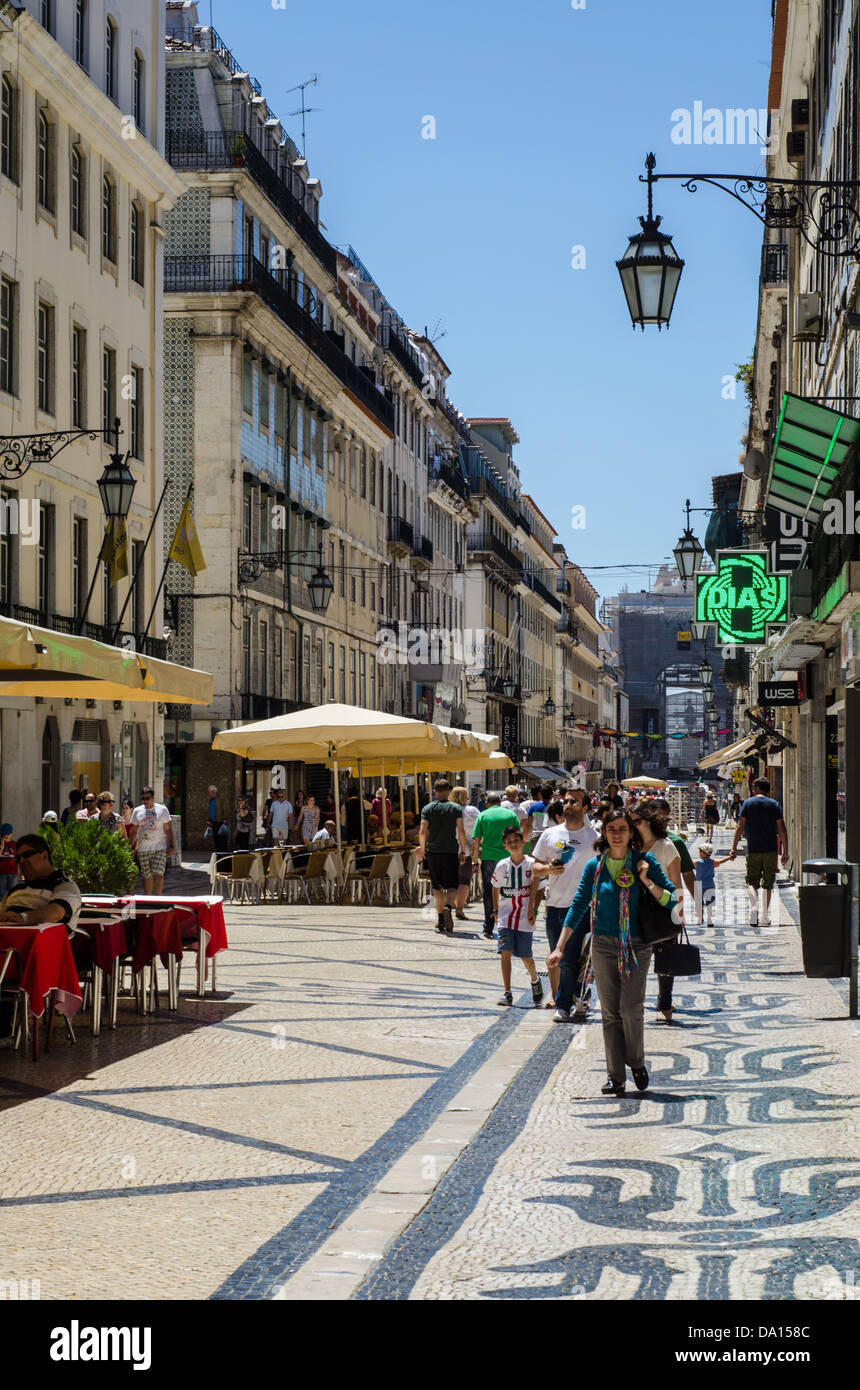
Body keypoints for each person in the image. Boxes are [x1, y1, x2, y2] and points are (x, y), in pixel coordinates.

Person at [548, 810, 677, 1096]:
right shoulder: (595, 867)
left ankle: (637, 1062)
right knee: (609, 1013)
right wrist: (560, 946)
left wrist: (646, 880)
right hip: (604, 944)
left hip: (637, 945)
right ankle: (615, 1076)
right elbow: (578, 905)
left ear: (631, 833)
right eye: (611, 829)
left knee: (630, 1009)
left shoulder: (645, 862)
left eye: (622, 828)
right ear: (604, 833)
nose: (617, 833)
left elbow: (673, 900)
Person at [532, 787, 599, 1021]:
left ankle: (562, 1004)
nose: (568, 805)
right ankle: (577, 996)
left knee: (569, 958)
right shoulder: (550, 834)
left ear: (586, 808)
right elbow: (535, 868)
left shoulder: (595, 839)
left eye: (574, 802)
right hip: (555, 905)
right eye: (566, 801)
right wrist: (548, 869)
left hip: (582, 906)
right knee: (557, 957)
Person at [629, 803, 683, 1024]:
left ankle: (665, 1004)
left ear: (648, 821)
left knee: (665, 958)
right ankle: (634, 1003)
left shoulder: (666, 846)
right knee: (635, 961)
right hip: (634, 911)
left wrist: (679, 912)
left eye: (636, 821)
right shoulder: (629, 847)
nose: (632, 825)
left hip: (661, 910)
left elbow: (676, 883)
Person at [491, 825, 543, 1007]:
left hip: (524, 919)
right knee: (505, 952)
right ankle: (507, 992)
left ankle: (535, 980)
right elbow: (495, 887)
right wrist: (496, 910)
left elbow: (538, 890)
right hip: (506, 918)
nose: (513, 844)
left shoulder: (531, 864)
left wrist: (534, 910)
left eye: (516, 841)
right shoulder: (502, 866)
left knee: (525, 956)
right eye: (509, 842)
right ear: (505, 846)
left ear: (523, 842)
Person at [729, 777, 790, 926]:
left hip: (753, 848)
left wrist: (734, 847)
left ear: (756, 788)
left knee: (751, 882)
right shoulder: (774, 805)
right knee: (768, 883)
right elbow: (782, 828)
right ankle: (764, 916)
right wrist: (786, 851)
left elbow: (739, 826)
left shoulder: (748, 804)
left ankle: (754, 907)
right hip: (770, 850)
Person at [417, 778, 468, 934]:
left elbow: (422, 831)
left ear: (434, 791)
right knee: (452, 885)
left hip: (433, 851)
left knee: (437, 887)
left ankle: (439, 919)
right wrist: (463, 850)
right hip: (451, 850)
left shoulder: (427, 808)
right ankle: (448, 907)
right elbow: (460, 831)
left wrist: (423, 849)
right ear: (448, 792)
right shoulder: (455, 808)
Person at [0, 832, 82, 929]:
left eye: (27, 855)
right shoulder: (14, 890)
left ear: (44, 855)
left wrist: (21, 917)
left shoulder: (65, 886)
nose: (22, 861)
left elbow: (55, 913)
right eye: (18, 858)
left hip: (42, 942)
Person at [471, 792, 522, 939]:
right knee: (509, 891)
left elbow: (476, 840)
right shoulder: (510, 815)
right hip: (508, 857)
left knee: (489, 892)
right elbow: (518, 836)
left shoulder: (483, 815)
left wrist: (475, 860)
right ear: (500, 802)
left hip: (488, 857)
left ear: (486, 803)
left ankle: (488, 926)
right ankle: (508, 924)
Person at [649, 798, 696, 903]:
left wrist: (697, 902)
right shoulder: (637, 841)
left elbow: (687, 875)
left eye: (666, 816)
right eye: (659, 815)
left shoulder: (676, 842)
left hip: (666, 901)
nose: (664, 819)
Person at [131, 787, 174, 894]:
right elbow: (134, 830)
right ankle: (148, 898)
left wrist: (171, 845)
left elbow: (168, 829)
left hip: (160, 847)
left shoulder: (162, 810)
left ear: (153, 798)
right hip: (143, 848)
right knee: (147, 875)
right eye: (143, 798)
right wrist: (130, 846)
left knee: (158, 873)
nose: (145, 801)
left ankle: (157, 898)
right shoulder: (137, 811)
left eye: (147, 798)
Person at [450, 786, 480, 920]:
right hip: (466, 851)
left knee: (450, 882)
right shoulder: (473, 811)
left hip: (448, 851)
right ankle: (459, 908)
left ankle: (447, 906)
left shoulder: (447, 810)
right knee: (464, 881)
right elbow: (480, 830)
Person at [695, 844, 730, 924]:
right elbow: (721, 861)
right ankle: (709, 919)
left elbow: (687, 864)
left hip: (699, 885)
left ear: (704, 853)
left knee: (699, 903)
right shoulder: (712, 862)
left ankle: (700, 919)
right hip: (710, 885)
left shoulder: (697, 862)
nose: (699, 853)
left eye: (700, 852)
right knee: (709, 904)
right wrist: (729, 857)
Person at [0, 824, 16, 899]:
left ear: (11, 834)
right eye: (4, 834)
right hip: (2, 872)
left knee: (12, 893)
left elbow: (18, 858)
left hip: (13, 873)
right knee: (2, 893)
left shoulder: (15, 844)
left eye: (7, 834)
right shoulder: (0, 844)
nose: (5, 836)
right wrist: (1, 848)